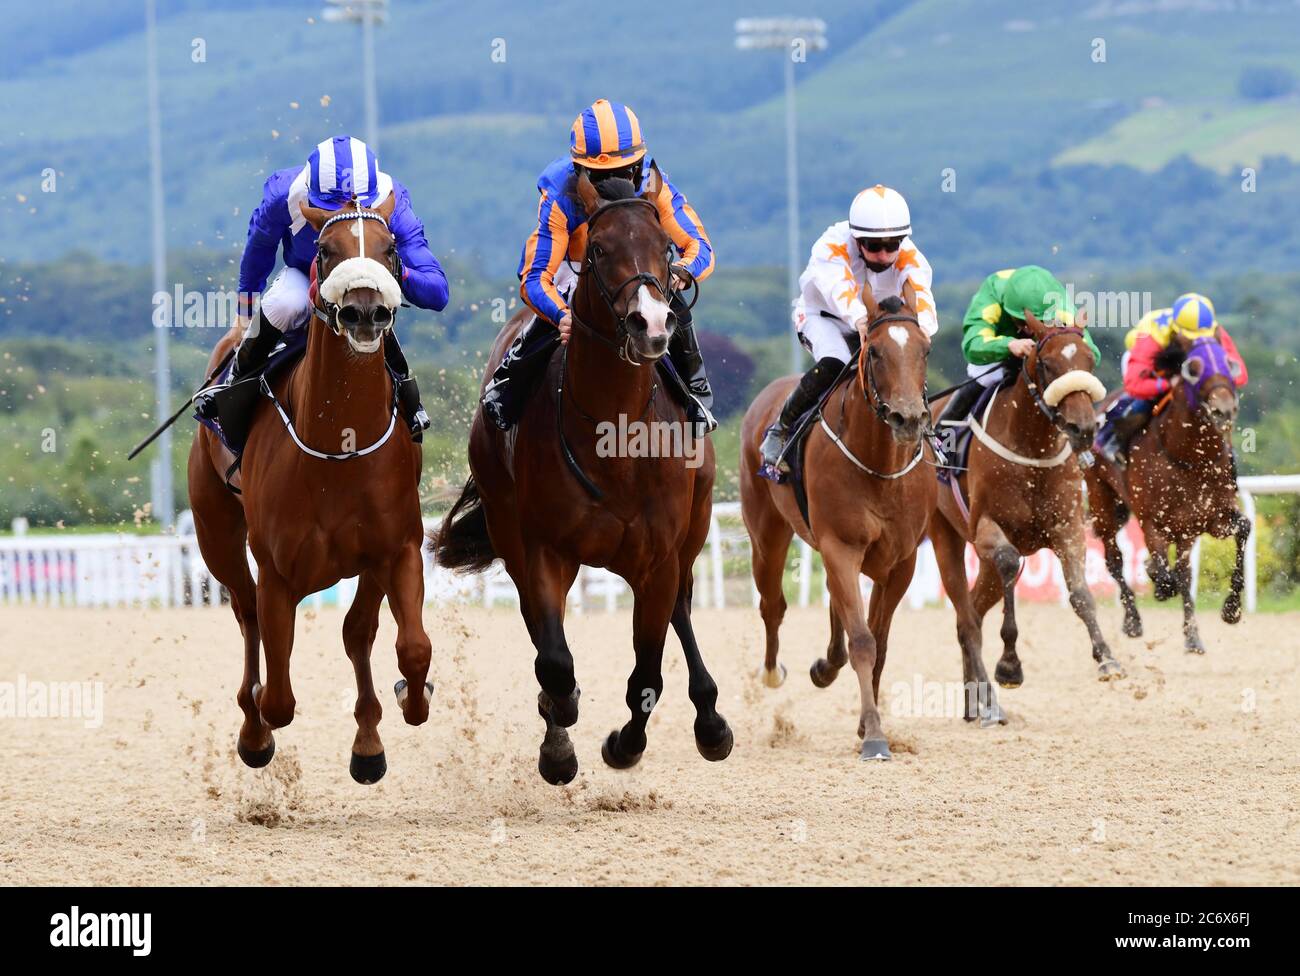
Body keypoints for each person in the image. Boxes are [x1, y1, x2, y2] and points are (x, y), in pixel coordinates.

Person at [481, 99, 716, 433]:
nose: (615, 183)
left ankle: (696, 394)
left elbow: (700, 246)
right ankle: (507, 386)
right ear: (582, 171)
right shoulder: (562, 196)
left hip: (636, 271)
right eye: (601, 176)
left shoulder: (653, 186)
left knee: (674, 307)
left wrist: (682, 271)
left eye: (624, 172)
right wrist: (561, 315)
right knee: (549, 322)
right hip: (578, 270)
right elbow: (535, 277)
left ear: (638, 166)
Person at [195, 136, 448, 439]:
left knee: (374, 310)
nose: (341, 210)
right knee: (285, 305)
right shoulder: (285, 194)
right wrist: (244, 314)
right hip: (305, 275)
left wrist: (396, 272)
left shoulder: (392, 201)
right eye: (328, 206)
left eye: (352, 203)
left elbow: (437, 293)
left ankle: (410, 404)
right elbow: (259, 250)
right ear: (310, 190)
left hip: (364, 286)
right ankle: (234, 389)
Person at [758, 185, 937, 474]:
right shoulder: (831, 245)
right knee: (836, 361)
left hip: (878, 324)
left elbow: (921, 296)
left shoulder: (910, 255)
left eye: (892, 246)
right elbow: (839, 290)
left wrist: (922, 331)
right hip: (825, 317)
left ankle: (925, 428)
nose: (883, 255)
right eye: (874, 246)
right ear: (857, 239)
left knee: (904, 359)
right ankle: (781, 428)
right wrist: (860, 320)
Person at [933, 265, 1098, 429]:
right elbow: (972, 346)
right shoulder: (992, 292)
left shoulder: (1059, 305)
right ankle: (943, 433)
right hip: (997, 354)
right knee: (983, 375)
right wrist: (1009, 344)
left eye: (1037, 323)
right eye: (1021, 322)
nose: (1027, 330)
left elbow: (1091, 353)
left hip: (1045, 357)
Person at [1095, 292, 1247, 465]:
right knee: (1142, 401)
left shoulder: (1214, 331)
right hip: (1152, 367)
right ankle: (1111, 440)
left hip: (1187, 368)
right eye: (1191, 337)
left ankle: (1228, 454)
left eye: (1202, 337)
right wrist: (1169, 384)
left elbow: (1240, 374)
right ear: (1178, 331)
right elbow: (1134, 384)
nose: (1197, 342)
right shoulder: (1152, 336)